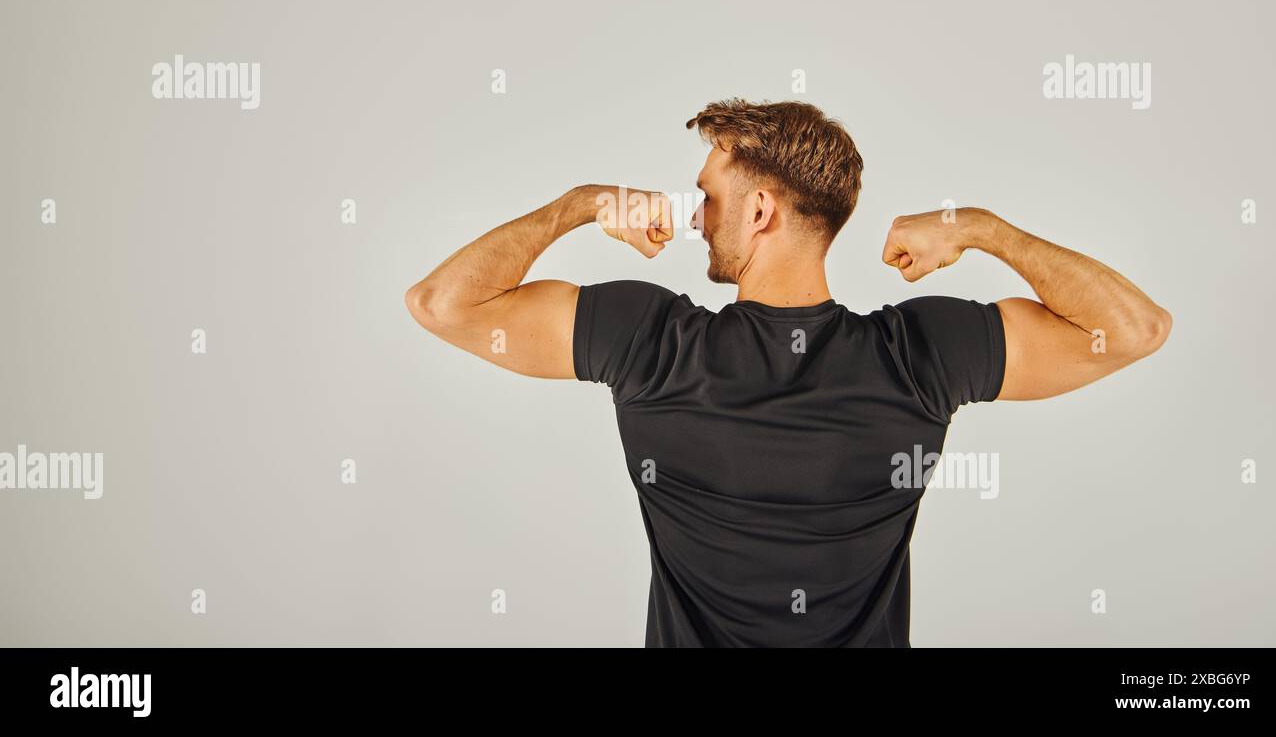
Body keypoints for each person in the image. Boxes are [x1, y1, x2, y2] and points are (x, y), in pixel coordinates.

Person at [405, 98, 1172, 646]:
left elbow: (441, 305)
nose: (696, 216)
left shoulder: (648, 341)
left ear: (761, 210)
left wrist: (576, 207)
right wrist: (982, 230)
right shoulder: (919, 354)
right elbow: (1134, 330)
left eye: (709, 198)